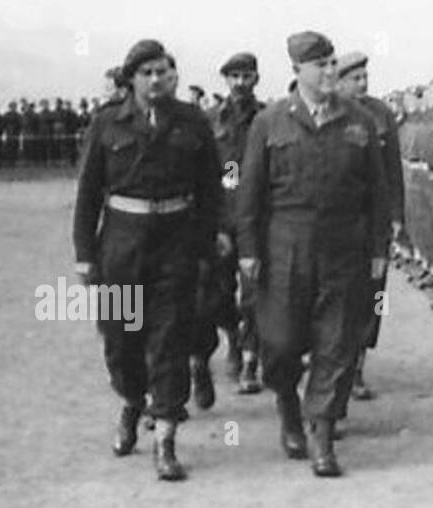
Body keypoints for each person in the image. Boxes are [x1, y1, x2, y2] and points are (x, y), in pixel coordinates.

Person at [236, 30, 390, 478]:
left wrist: (379, 248)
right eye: (319, 65)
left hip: (344, 249)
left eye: (331, 64)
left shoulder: (358, 121)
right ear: (297, 71)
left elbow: (377, 194)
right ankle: (287, 404)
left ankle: (321, 432)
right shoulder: (270, 122)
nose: (329, 73)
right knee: (281, 343)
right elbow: (249, 193)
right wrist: (248, 250)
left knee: (337, 343)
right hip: (285, 246)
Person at [73, 38, 226, 481]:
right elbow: (87, 195)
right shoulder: (107, 124)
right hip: (121, 246)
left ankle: (164, 438)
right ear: (132, 79)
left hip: (175, 244)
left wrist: (207, 243)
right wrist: (85, 255)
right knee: (122, 341)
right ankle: (130, 401)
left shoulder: (193, 122)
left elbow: (211, 190)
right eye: (147, 72)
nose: (156, 79)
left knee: (170, 339)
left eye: (163, 71)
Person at [193, 51, 266, 401]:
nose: (240, 83)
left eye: (246, 76)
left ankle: (251, 359)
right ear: (226, 80)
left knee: (255, 294)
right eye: (234, 77)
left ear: (256, 79)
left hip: (256, 219)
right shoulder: (210, 120)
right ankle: (230, 340)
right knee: (215, 294)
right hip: (221, 218)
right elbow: (204, 172)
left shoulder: (269, 119)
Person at [334, 50, 404, 403]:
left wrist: (395, 217)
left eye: (365, 77)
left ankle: (359, 362)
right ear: (339, 80)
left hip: (372, 223)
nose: (362, 84)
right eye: (354, 78)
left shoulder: (380, 115)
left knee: (374, 297)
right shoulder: (333, 115)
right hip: (340, 223)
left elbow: (392, 171)